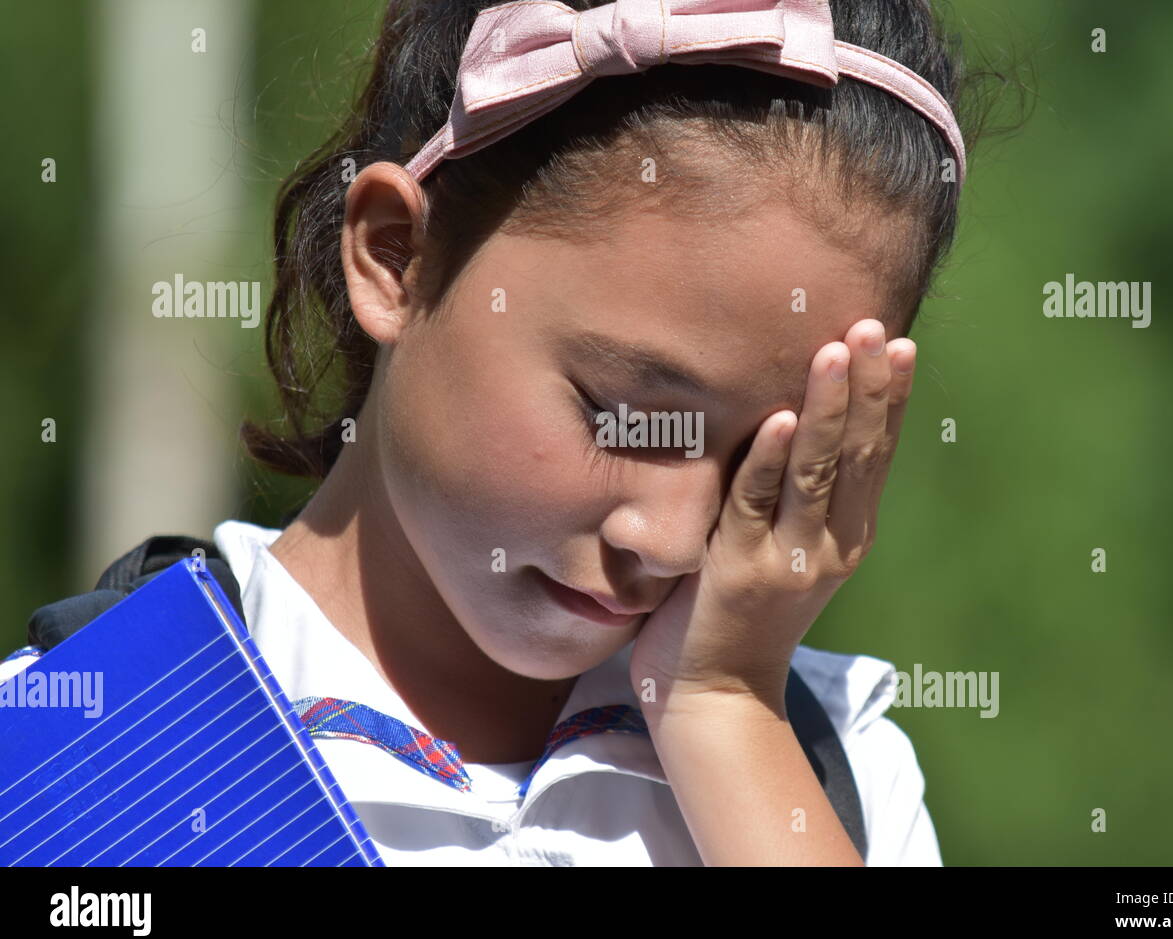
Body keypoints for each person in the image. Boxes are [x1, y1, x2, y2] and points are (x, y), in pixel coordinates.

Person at [12, 0, 991, 865]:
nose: (672, 535)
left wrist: (723, 707)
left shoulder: (830, 772)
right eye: (627, 415)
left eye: (761, 463)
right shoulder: (71, 750)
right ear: (396, 256)